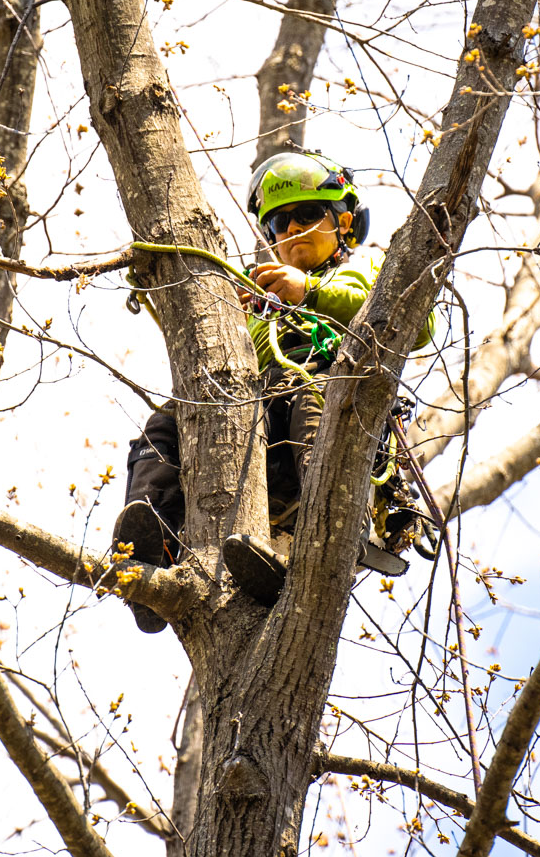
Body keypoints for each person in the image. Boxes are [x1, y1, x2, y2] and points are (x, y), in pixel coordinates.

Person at [111, 151, 434, 632]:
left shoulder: (366, 271)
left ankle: (332, 532)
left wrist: (309, 292)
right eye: (279, 222)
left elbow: (418, 322)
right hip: (259, 433)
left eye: (307, 214)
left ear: (343, 222)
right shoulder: (261, 301)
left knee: (307, 385)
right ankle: (152, 548)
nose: (291, 230)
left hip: (320, 415)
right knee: (168, 421)